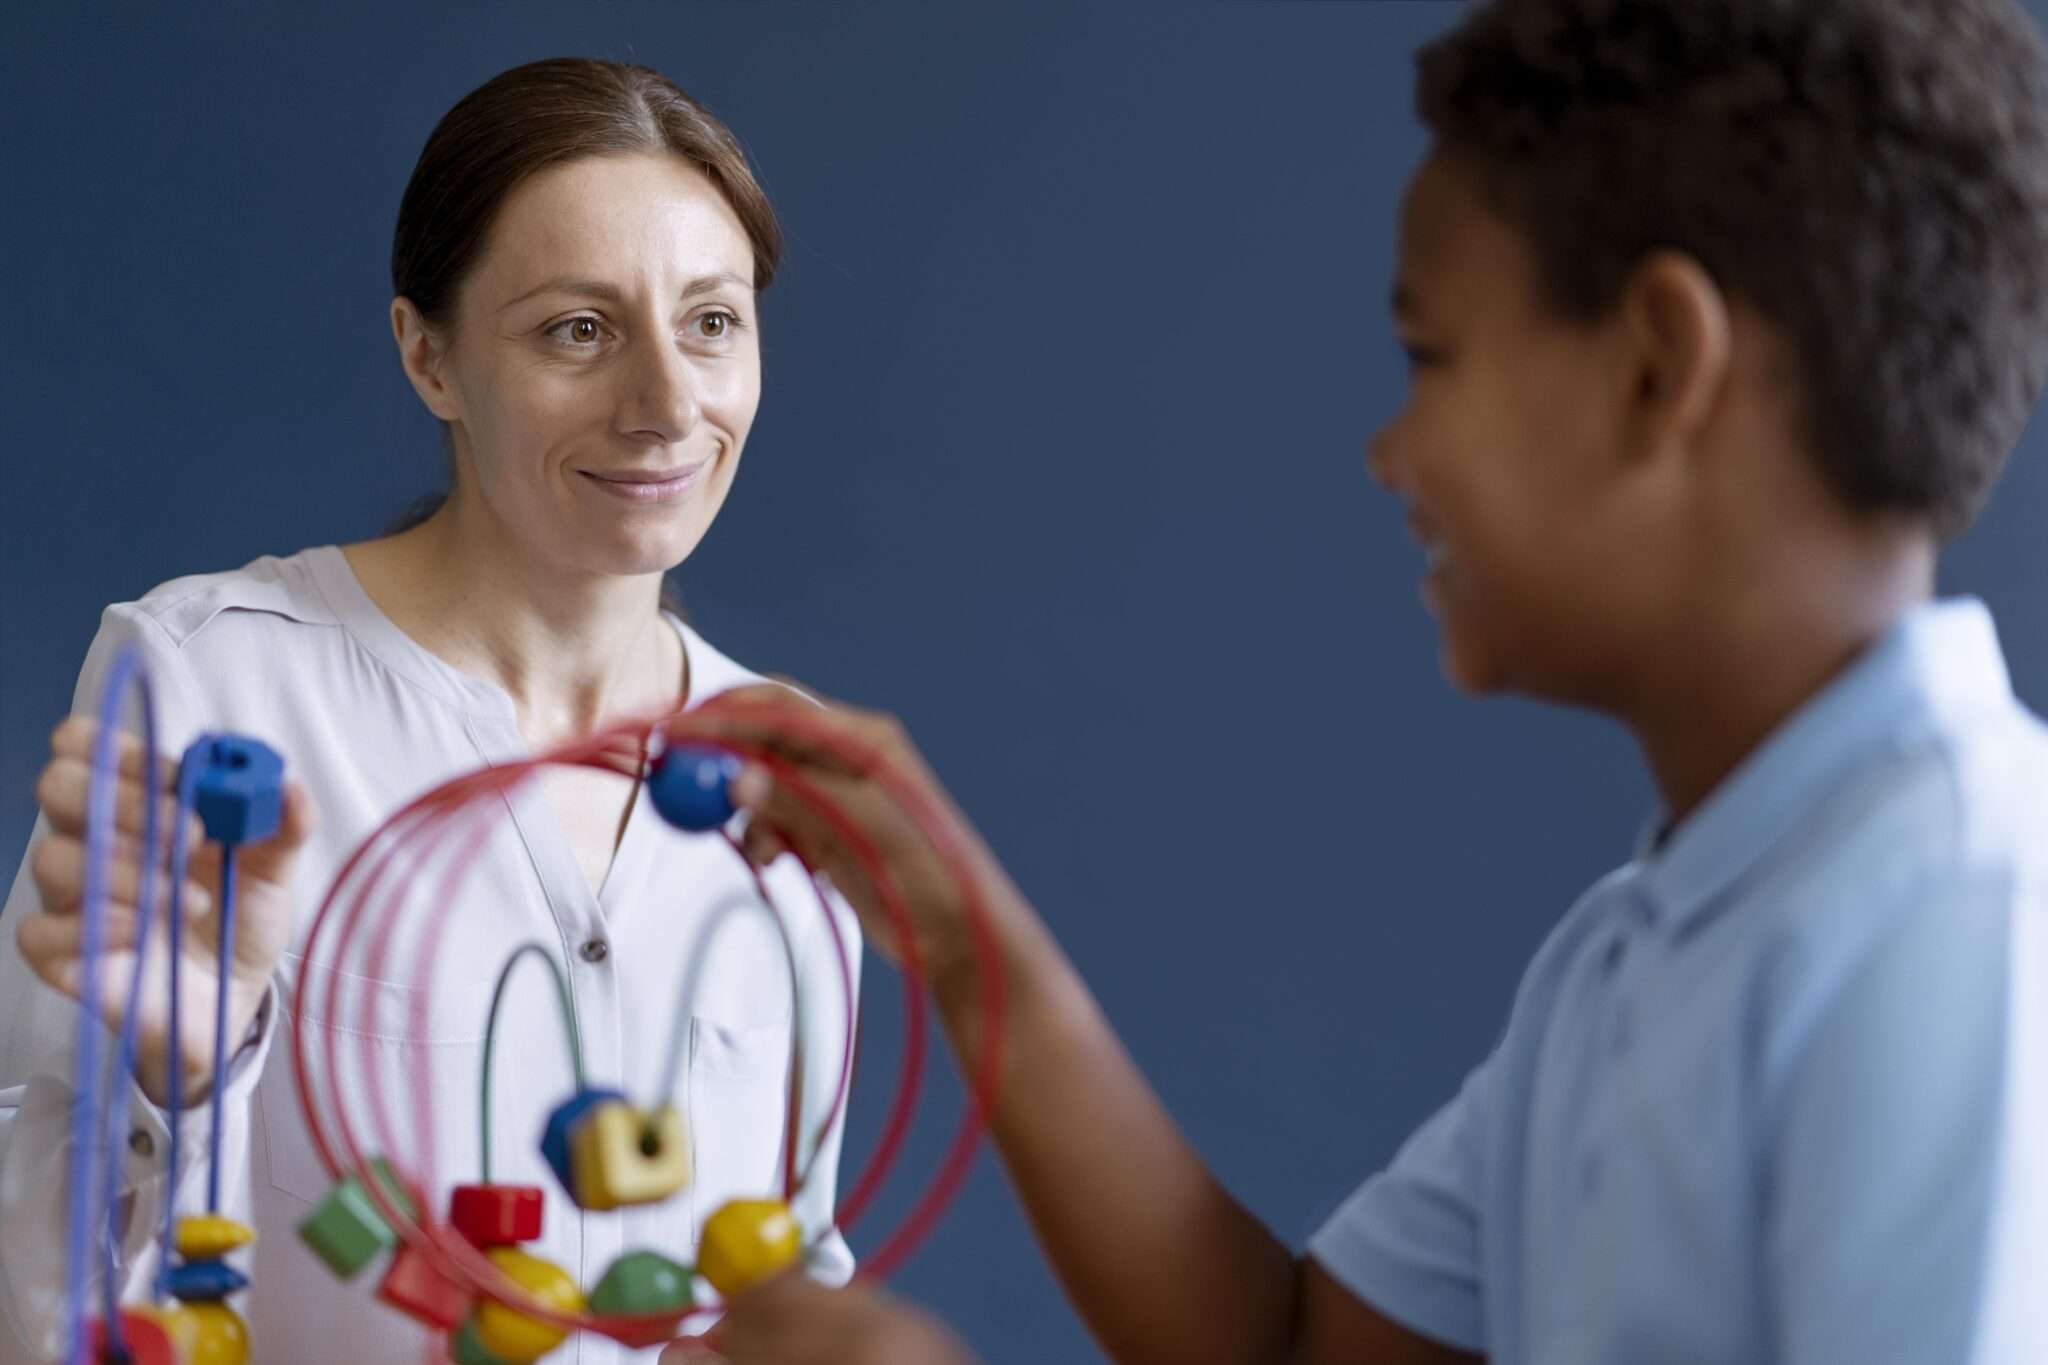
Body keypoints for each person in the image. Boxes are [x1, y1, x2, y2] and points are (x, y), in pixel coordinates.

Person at [683, 1, 2048, 1362]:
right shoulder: (1637, 949)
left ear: (1655, 362)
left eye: (1429, 358)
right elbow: (1294, 1349)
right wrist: (976, 962)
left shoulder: (1967, 914)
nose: (1393, 453)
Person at [0, 58, 859, 1365]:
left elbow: (789, 1263)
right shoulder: (212, 685)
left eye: (711, 322)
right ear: (430, 356)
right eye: (579, 327)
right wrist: (178, 1076)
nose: (668, 404)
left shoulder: (794, 770)